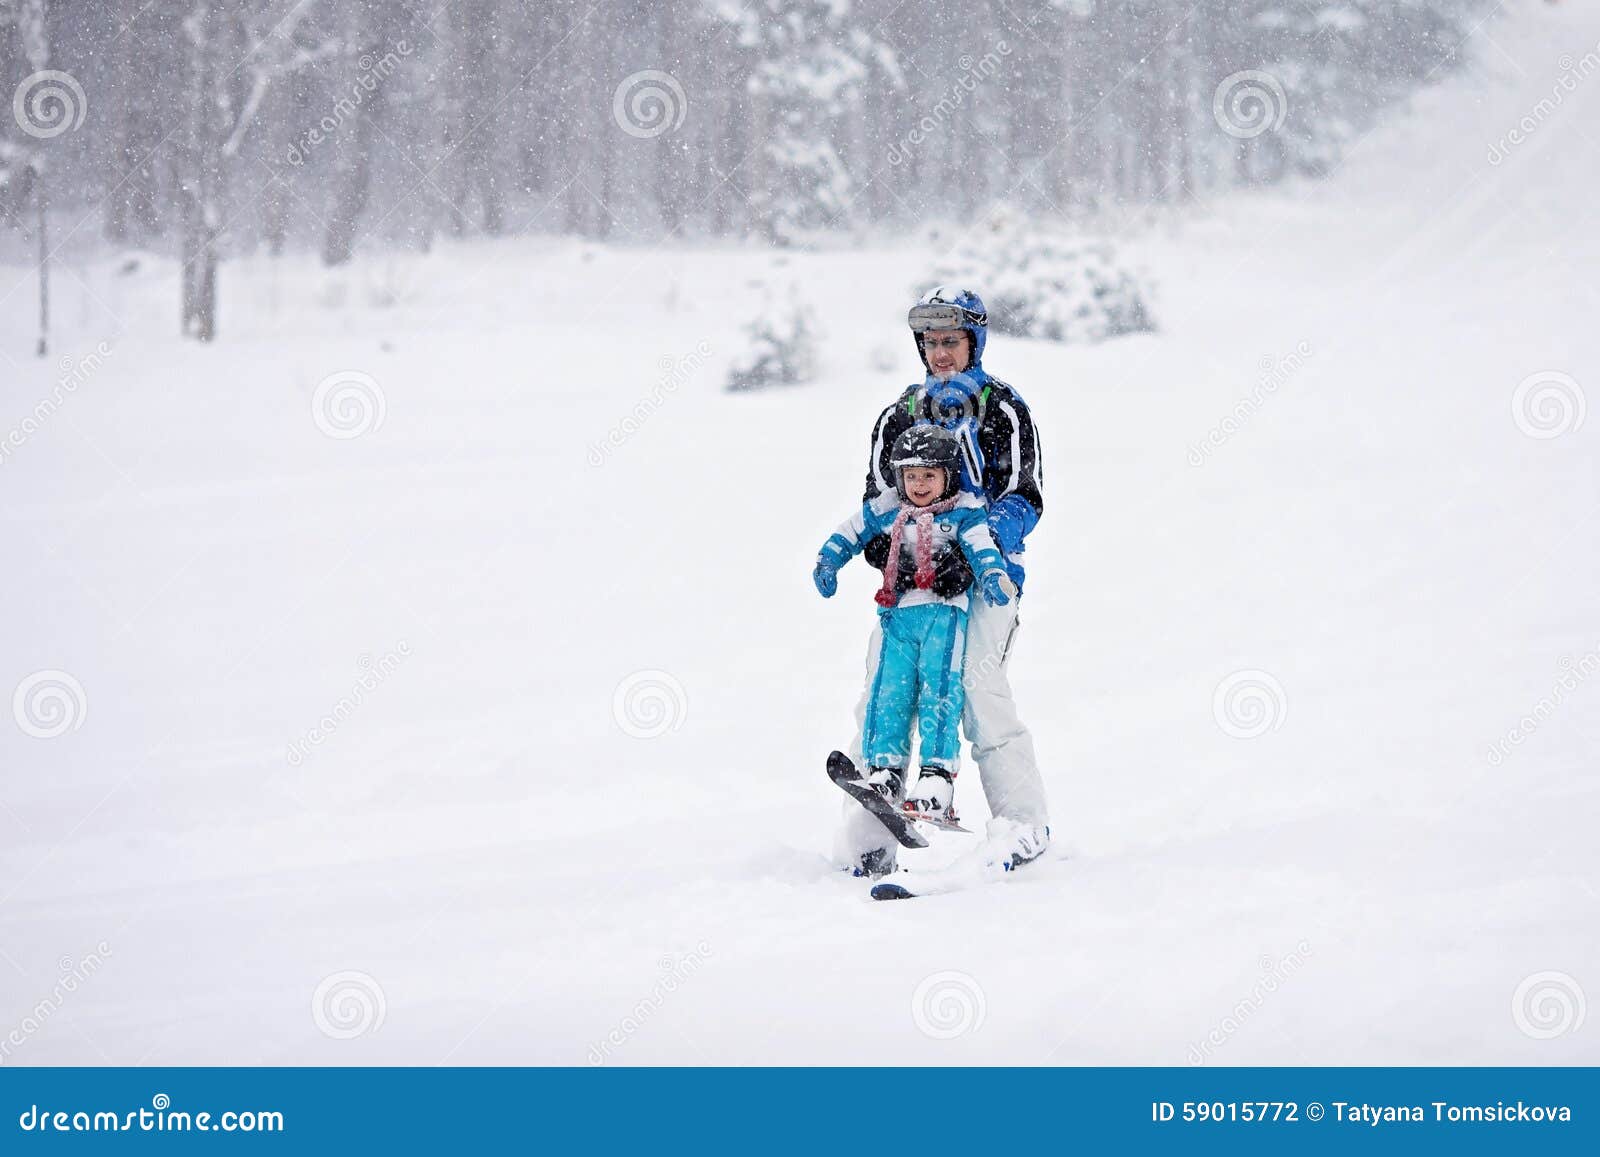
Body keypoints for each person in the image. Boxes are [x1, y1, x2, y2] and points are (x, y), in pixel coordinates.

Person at [837, 287, 1050, 877]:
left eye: (951, 341)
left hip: (987, 579)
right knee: (882, 693)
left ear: (974, 341)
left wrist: (979, 546)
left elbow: (1025, 498)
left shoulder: (1002, 408)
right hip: (913, 586)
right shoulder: (899, 415)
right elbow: (877, 500)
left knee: (980, 695)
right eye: (930, 343)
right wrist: (883, 547)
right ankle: (870, 832)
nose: (940, 354)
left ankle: (1023, 823)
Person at [814, 426, 1014, 846]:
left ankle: (936, 779)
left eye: (929, 476)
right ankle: (884, 771)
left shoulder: (963, 511)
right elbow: (851, 532)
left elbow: (981, 546)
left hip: (944, 615)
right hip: (898, 615)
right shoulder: (888, 507)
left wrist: (992, 574)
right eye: (911, 476)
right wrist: (829, 560)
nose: (919, 485)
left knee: (939, 693)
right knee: (889, 693)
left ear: (948, 475)